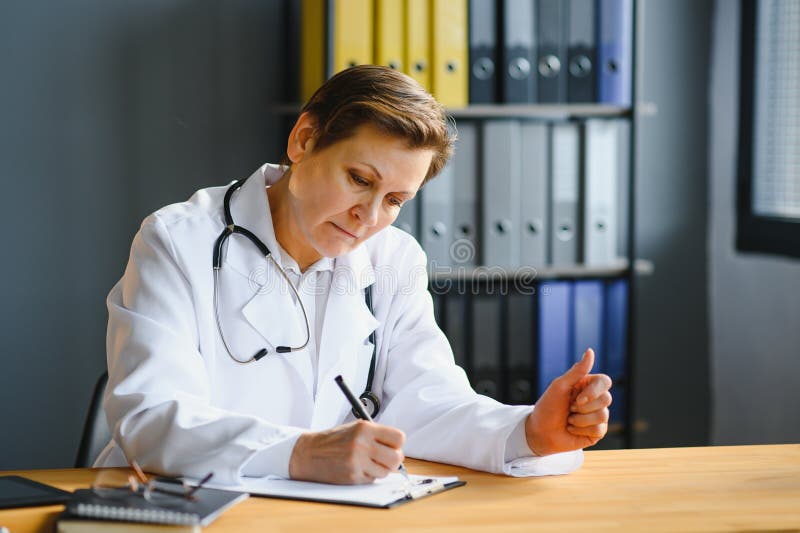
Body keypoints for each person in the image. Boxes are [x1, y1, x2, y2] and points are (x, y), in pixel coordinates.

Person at [96, 65, 613, 485]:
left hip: (318, 513)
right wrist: (297, 453)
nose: (368, 216)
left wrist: (528, 433)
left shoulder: (392, 260)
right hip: (174, 507)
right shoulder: (178, 240)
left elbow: (426, 402)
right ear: (303, 140)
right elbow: (150, 418)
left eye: (394, 200)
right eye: (359, 179)